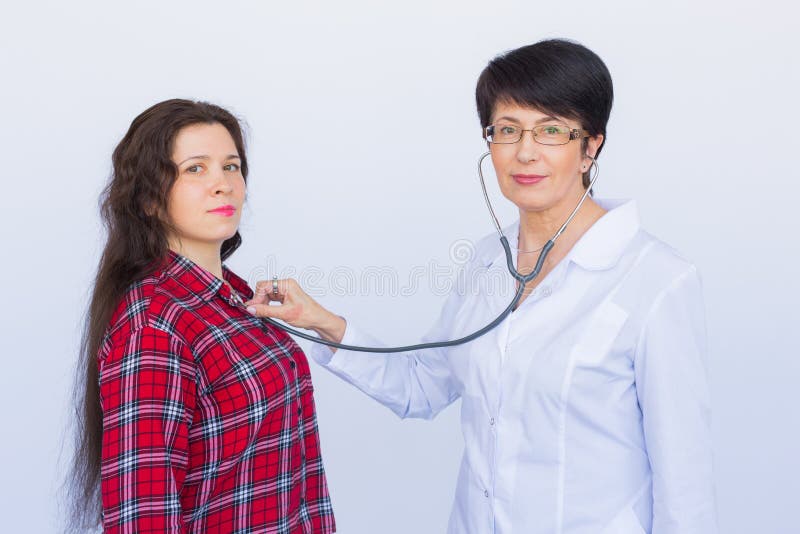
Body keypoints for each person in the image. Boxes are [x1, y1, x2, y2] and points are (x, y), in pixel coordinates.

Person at [245, 39, 718, 533]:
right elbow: (424, 388)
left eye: (551, 130)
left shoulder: (658, 280)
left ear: (591, 146)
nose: (525, 151)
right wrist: (321, 322)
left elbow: (685, 483)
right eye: (508, 130)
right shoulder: (488, 261)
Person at [69, 99, 335, 533]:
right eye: (195, 169)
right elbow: (144, 515)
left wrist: (325, 323)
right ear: (150, 199)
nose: (222, 184)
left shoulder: (235, 298)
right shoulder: (154, 326)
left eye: (231, 166)